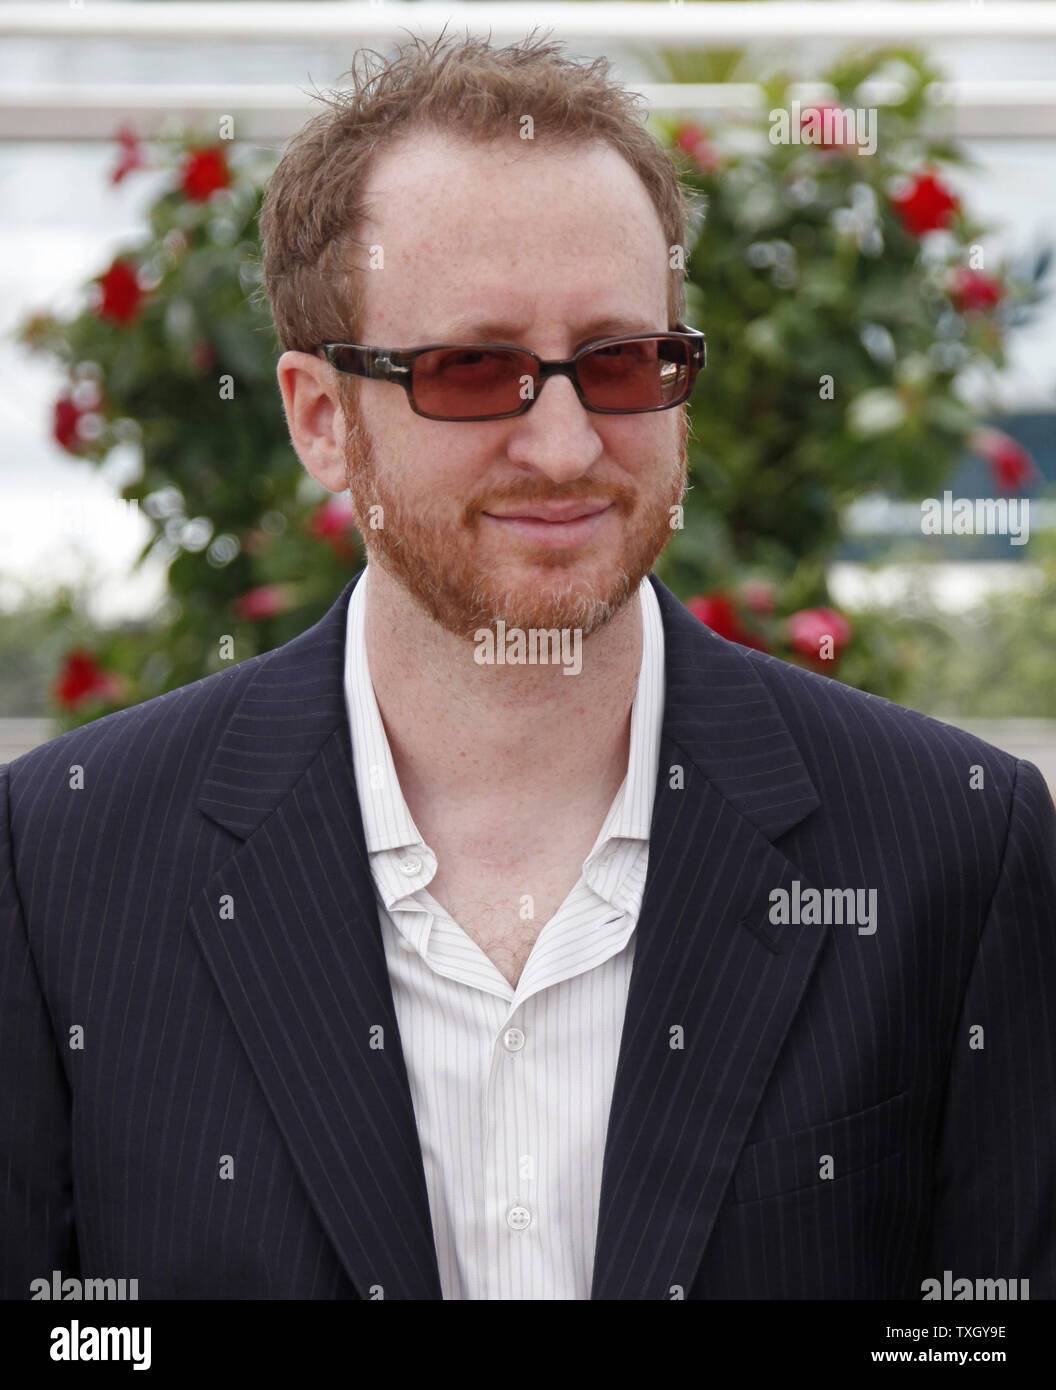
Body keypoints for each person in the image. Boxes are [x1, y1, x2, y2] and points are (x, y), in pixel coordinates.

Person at [2, 31, 1054, 1303]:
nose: (563, 445)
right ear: (320, 417)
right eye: (472, 370)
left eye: (619, 362)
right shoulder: (65, 863)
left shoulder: (955, 847)